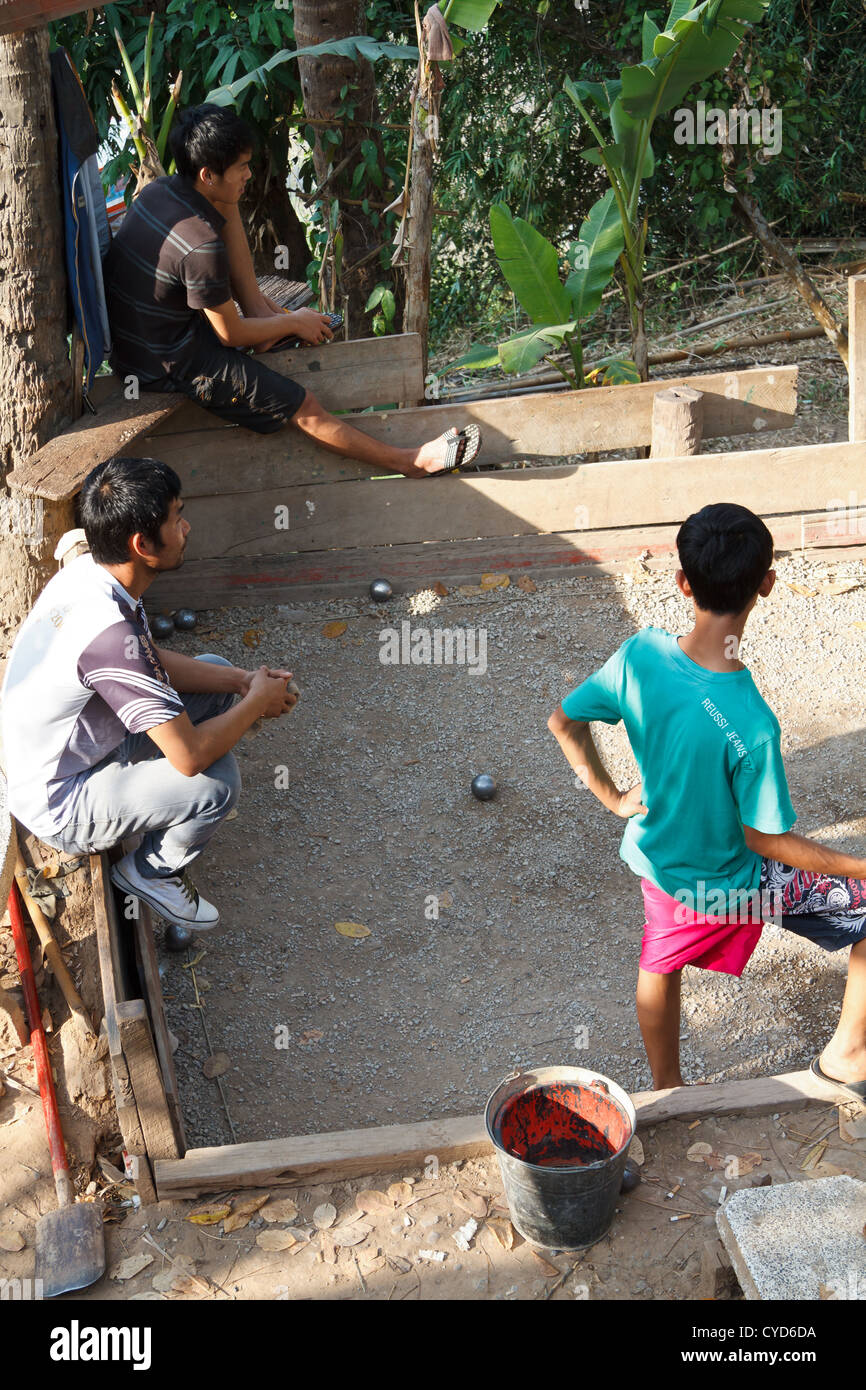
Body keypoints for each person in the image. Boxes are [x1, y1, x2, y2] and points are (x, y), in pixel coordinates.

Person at [547, 502, 866, 1105]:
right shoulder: (750, 722)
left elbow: (564, 720)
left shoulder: (641, 655)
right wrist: (860, 867)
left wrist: (613, 797)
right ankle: (847, 1055)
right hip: (734, 881)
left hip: (662, 867)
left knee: (660, 961)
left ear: (682, 581)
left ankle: (669, 1089)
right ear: (767, 585)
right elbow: (765, 841)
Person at [101, 104, 481, 478]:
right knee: (306, 407)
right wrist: (294, 323)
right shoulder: (200, 245)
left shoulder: (163, 191)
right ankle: (411, 462)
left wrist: (263, 313)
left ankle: (266, 318)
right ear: (207, 175)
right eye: (241, 168)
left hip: (144, 338)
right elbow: (229, 333)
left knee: (270, 313)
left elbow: (227, 220)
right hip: (162, 365)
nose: (249, 174)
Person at [1, 456, 297, 930]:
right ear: (142, 544)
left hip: (64, 752)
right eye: (176, 518)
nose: (186, 527)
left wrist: (243, 682)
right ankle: (150, 872)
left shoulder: (90, 577)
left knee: (216, 673)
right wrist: (257, 702)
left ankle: (152, 804)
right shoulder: (108, 637)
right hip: (60, 800)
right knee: (216, 783)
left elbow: (149, 660)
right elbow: (191, 757)